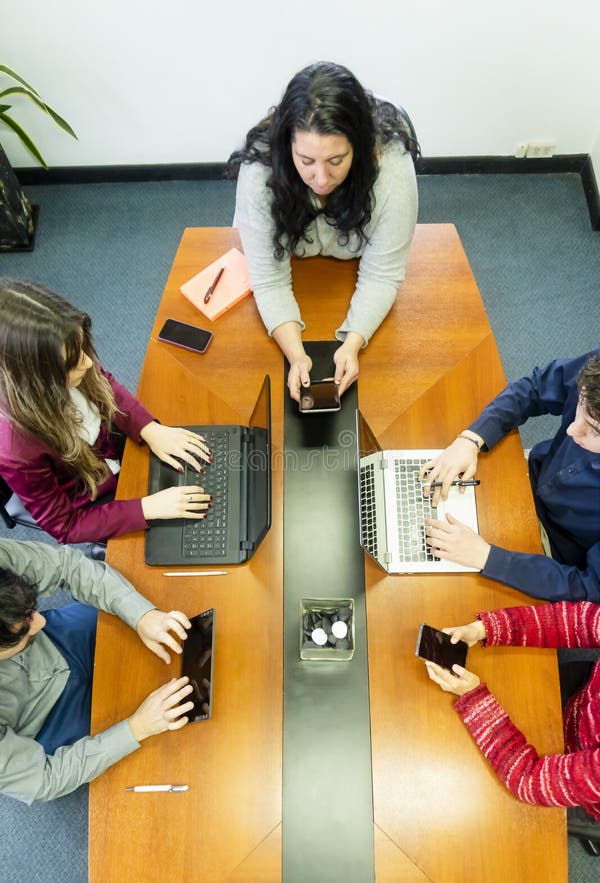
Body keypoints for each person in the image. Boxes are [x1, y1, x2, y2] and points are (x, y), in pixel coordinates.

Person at [228, 61, 418, 401]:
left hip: (350, 264)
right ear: (287, 146)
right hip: (294, 264)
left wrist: (353, 342)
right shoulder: (260, 169)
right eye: (306, 161)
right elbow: (268, 278)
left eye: (336, 161)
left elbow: (383, 273)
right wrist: (296, 355)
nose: (320, 179)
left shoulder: (391, 165)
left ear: (360, 148)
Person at [0, 278, 212, 545]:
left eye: (83, 349)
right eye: (72, 362)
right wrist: (147, 508)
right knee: (175, 540)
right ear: (33, 379)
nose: (88, 363)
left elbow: (103, 383)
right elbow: (66, 526)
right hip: (90, 497)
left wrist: (150, 429)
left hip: (108, 447)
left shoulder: (68, 361)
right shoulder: (16, 449)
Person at [0, 538, 195, 804]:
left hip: (56, 638)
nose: (40, 620)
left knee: (150, 611)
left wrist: (141, 615)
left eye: (30, 611)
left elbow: (67, 565)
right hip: (46, 718)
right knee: (158, 754)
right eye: (23, 628)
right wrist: (136, 728)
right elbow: (45, 779)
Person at [420, 350, 600, 602]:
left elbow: (588, 588)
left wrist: (487, 557)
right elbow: (535, 388)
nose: (571, 429)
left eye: (593, 430)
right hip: (530, 478)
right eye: (580, 407)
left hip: (554, 557)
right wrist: (471, 439)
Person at [423, 601, 600, 821]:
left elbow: (528, 781)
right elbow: (578, 620)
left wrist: (474, 699)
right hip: (581, 702)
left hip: (581, 781)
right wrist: (484, 629)